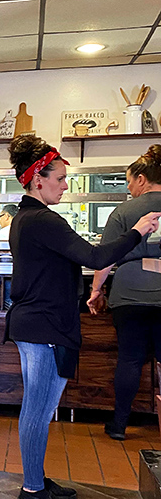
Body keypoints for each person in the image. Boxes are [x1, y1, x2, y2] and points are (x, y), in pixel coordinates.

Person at [5, 134, 160, 499]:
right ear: (38, 178)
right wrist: (138, 231)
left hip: (43, 324)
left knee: (41, 408)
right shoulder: (42, 219)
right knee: (37, 410)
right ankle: (31, 490)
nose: (64, 185)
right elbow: (95, 255)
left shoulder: (28, 218)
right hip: (42, 327)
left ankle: (37, 480)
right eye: (59, 178)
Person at [87, 145, 161, 440]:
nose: (129, 188)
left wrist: (96, 291)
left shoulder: (124, 211)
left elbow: (105, 257)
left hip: (130, 291)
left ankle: (119, 425)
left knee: (130, 359)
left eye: (130, 181)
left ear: (142, 179)